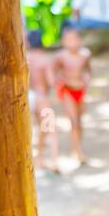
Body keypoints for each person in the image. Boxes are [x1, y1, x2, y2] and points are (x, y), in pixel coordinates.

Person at [54, 23, 92, 165]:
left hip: (80, 90)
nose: (72, 43)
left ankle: (76, 147)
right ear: (63, 41)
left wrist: (87, 77)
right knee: (74, 121)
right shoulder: (61, 56)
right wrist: (59, 80)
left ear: (79, 40)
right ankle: (78, 153)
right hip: (68, 91)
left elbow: (88, 70)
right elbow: (55, 72)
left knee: (80, 121)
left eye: (74, 39)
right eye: (68, 40)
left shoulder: (85, 55)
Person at [26, 28, 59, 172]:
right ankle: (54, 161)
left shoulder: (26, 58)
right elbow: (51, 81)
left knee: (38, 129)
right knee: (50, 129)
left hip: (28, 96)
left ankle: (39, 160)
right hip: (41, 96)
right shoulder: (45, 59)